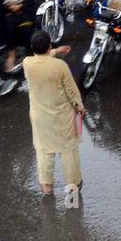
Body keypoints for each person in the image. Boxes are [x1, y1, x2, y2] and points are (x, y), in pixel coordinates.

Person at [23, 30, 84, 196]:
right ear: (49, 45)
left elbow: (43, 59)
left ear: (32, 48)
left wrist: (58, 50)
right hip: (61, 117)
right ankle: (73, 184)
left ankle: (47, 186)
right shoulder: (60, 66)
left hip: (40, 118)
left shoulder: (27, 64)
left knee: (44, 151)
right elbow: (71, 90)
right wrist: (79, 107)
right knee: (68, 150)